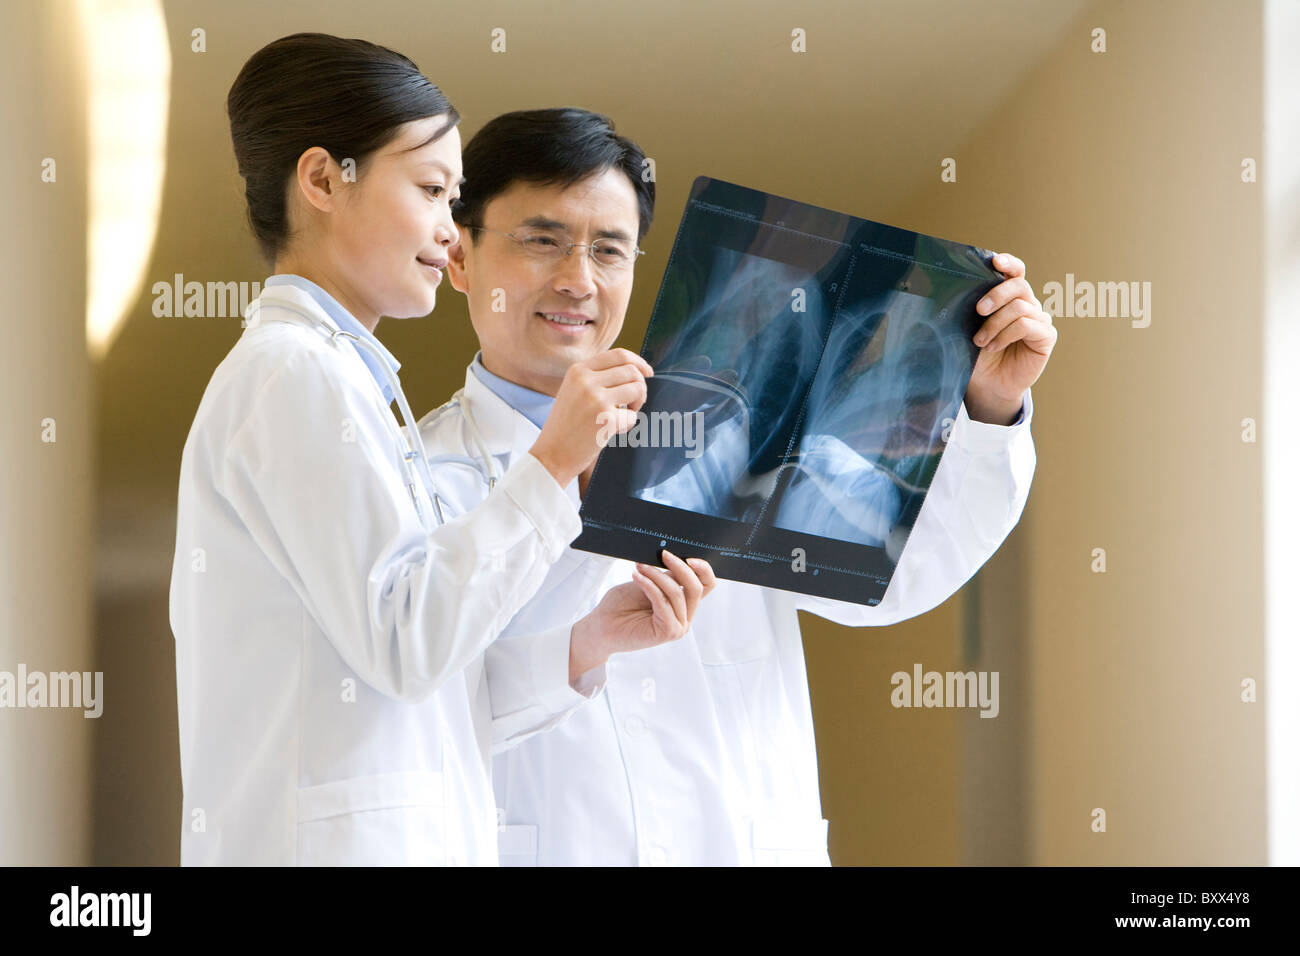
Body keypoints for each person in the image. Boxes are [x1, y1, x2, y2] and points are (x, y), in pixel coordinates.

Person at [421, 107, 1055, 865]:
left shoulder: (727, 437)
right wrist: (579, 619)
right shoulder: (415, 477)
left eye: (609, 250)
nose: (578, 281)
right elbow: (417, 715)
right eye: (541, 239)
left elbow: (898, 577)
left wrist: (990, 406)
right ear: (460, 257)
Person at [169, 36, 714, 866]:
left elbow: (435, 685)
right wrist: (554, 463)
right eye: (429, 191)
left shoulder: (342, 379)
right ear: (322, 180)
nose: (446, 231)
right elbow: (408, 643)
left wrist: (586, 643)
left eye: (453, 198)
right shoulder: (292, 373)